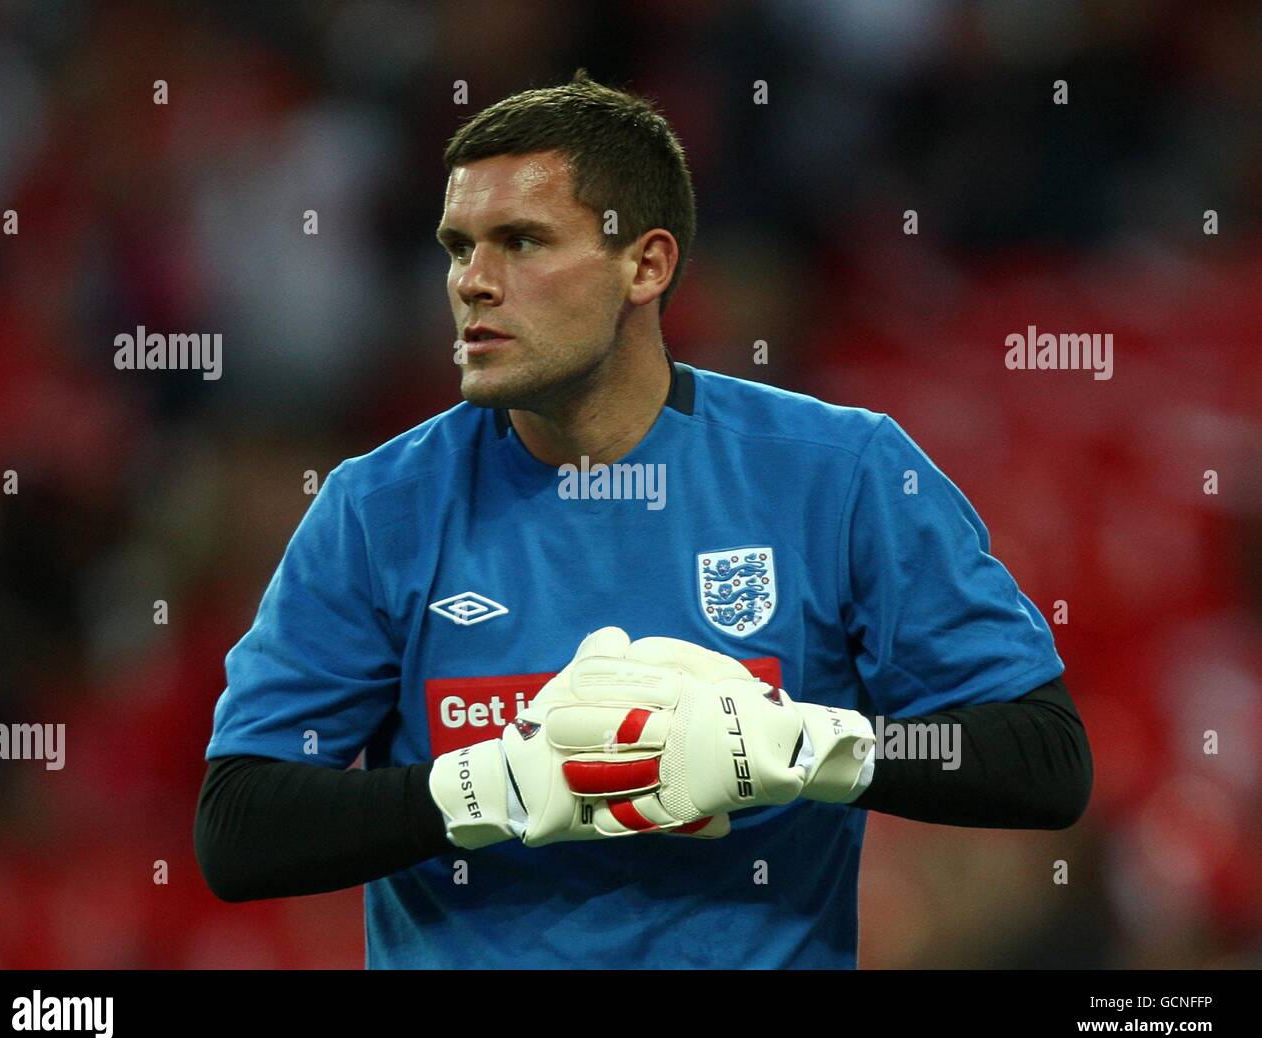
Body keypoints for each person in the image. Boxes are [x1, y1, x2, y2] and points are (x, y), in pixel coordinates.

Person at [194, 69, 1092, 969]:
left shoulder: (837, 475)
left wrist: (809, 745)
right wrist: (489, 788)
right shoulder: (377, 509)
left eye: (521, 241)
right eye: (458, 247)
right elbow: (240, 827)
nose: (473, 283)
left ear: (646, 264)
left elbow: (1041, 759)